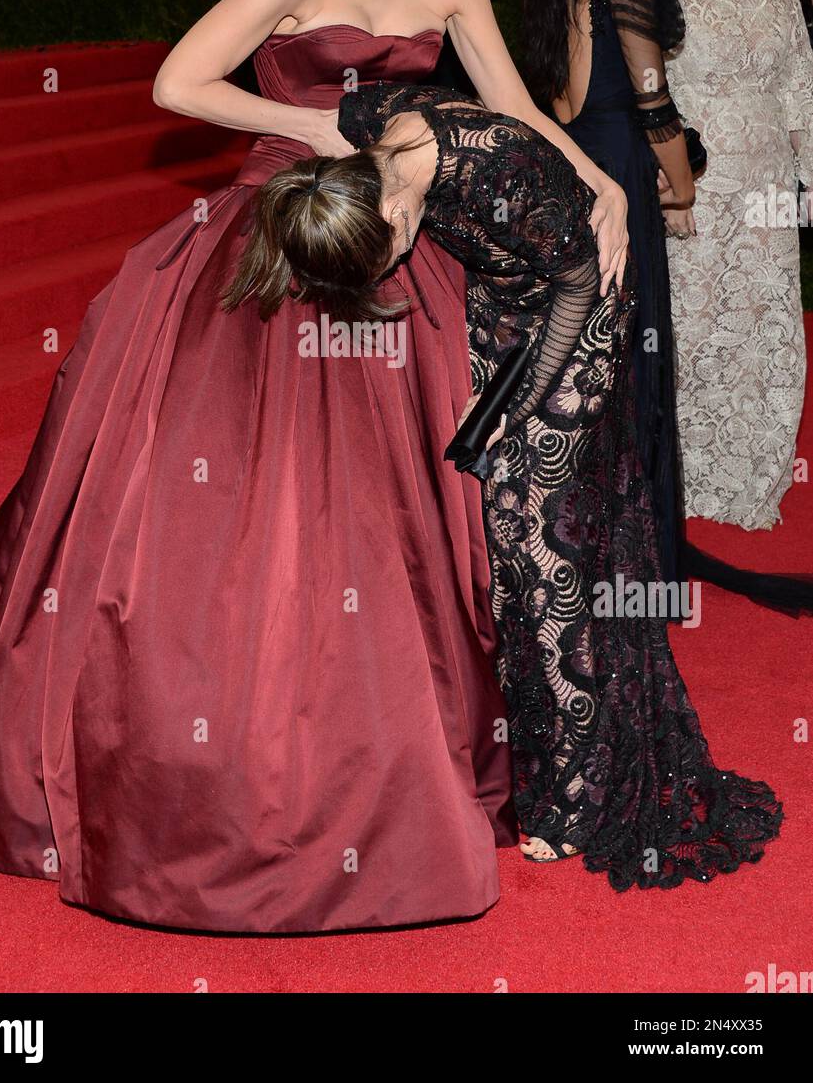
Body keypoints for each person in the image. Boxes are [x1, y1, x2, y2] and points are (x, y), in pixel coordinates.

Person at [0, 0, 628, 934]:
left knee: (408, 495)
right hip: (278, 229)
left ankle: (404, 736)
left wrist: (595, 179)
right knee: (241, 500)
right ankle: (225, 754)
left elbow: (511, 104)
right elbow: (177, 81)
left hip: (391, 236)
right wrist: (319, 126)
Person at [237, 76, 783, 886]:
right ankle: (527, 744)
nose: (387, 275)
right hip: (503, 308)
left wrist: (512, 405)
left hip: (579, 314)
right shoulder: (368, 132)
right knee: (500, 533)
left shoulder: (496, 171)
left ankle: (578, 791)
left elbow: (576, 284)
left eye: (382, 259)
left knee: (543, 540)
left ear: (395, 210)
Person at [517, 0, 694, 585]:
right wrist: (681, 183)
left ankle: (570, 541)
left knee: (580, 351)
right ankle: (636, 551)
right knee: (632, 346)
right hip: (620, 163)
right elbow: (652, 99)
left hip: (566, 163)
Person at [664, 0, 813, 531]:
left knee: (766, 321)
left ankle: (756, 473)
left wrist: (807, 174)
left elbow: (799, 86)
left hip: (768, 179)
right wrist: (670, 187)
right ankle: (692, 471)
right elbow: (654, 97)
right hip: (698, 181)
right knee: (696, 325)